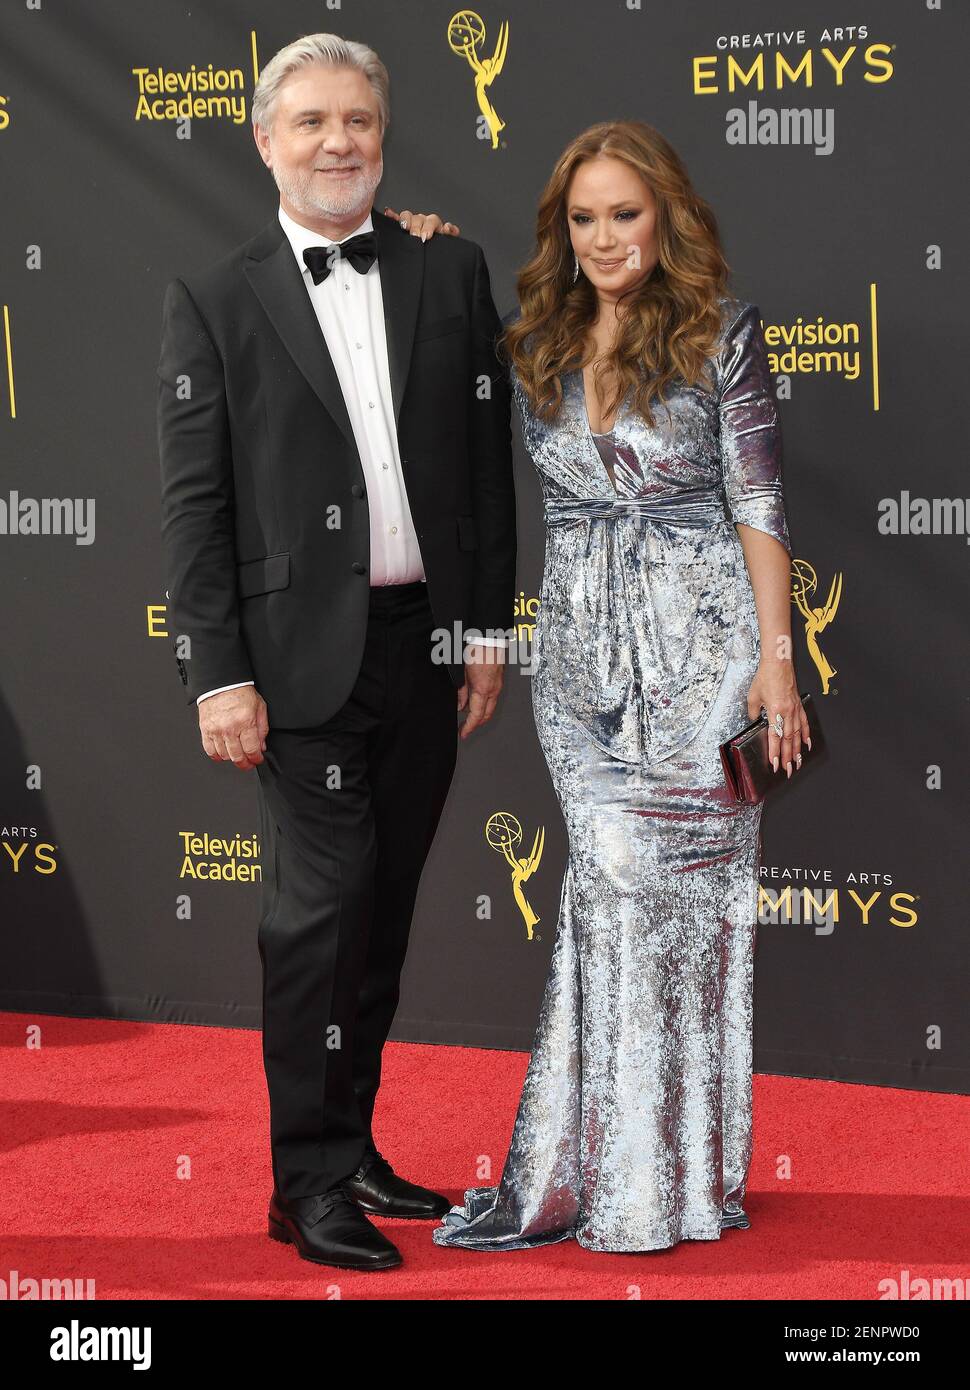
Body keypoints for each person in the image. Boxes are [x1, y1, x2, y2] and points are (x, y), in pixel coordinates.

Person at [156, 33, 515, 1272]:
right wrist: (217, 670)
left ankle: (350, 1145)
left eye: (358, 119)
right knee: (316, 919)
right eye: (310, 121)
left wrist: (483, 631)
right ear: (264, 139)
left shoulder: (450, 269)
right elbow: (194, 506)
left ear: (383, 133)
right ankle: (302, 1184)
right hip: (295, 662)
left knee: (384, 914)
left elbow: (482, 476)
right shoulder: (213, 298)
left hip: (426, 647)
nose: (338, 141)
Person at [424, 120, 809, 1253]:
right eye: (583, 218)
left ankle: (668, 1183)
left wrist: (777, 670)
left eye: (624, 214)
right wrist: (413, 238)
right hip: (581, 669)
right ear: (562, 229)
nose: (604, 238)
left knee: (685, 916)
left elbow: (760, 508)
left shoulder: (721, 334)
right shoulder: (533, 342)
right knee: (608, 898)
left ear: (665, 217)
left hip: (704, 663)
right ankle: (606, 1170)